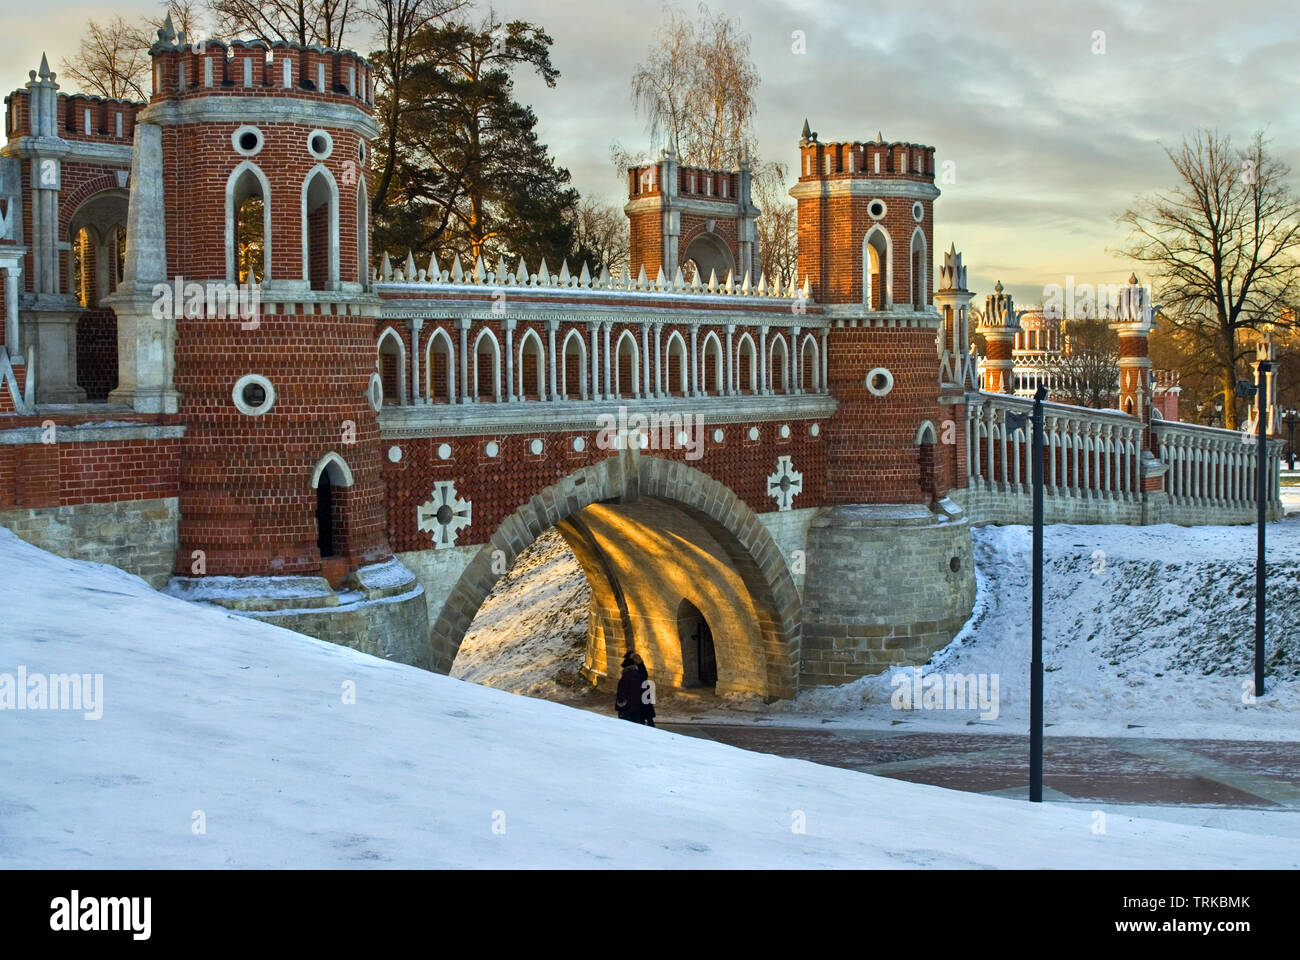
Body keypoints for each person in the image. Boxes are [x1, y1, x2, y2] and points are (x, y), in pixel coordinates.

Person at [615, 652, 643, 723]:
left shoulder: (626, 677)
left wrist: (621, 702)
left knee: (626, 726)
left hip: (626, 707)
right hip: (636, 706)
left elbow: (622, 691)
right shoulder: (637, 675)